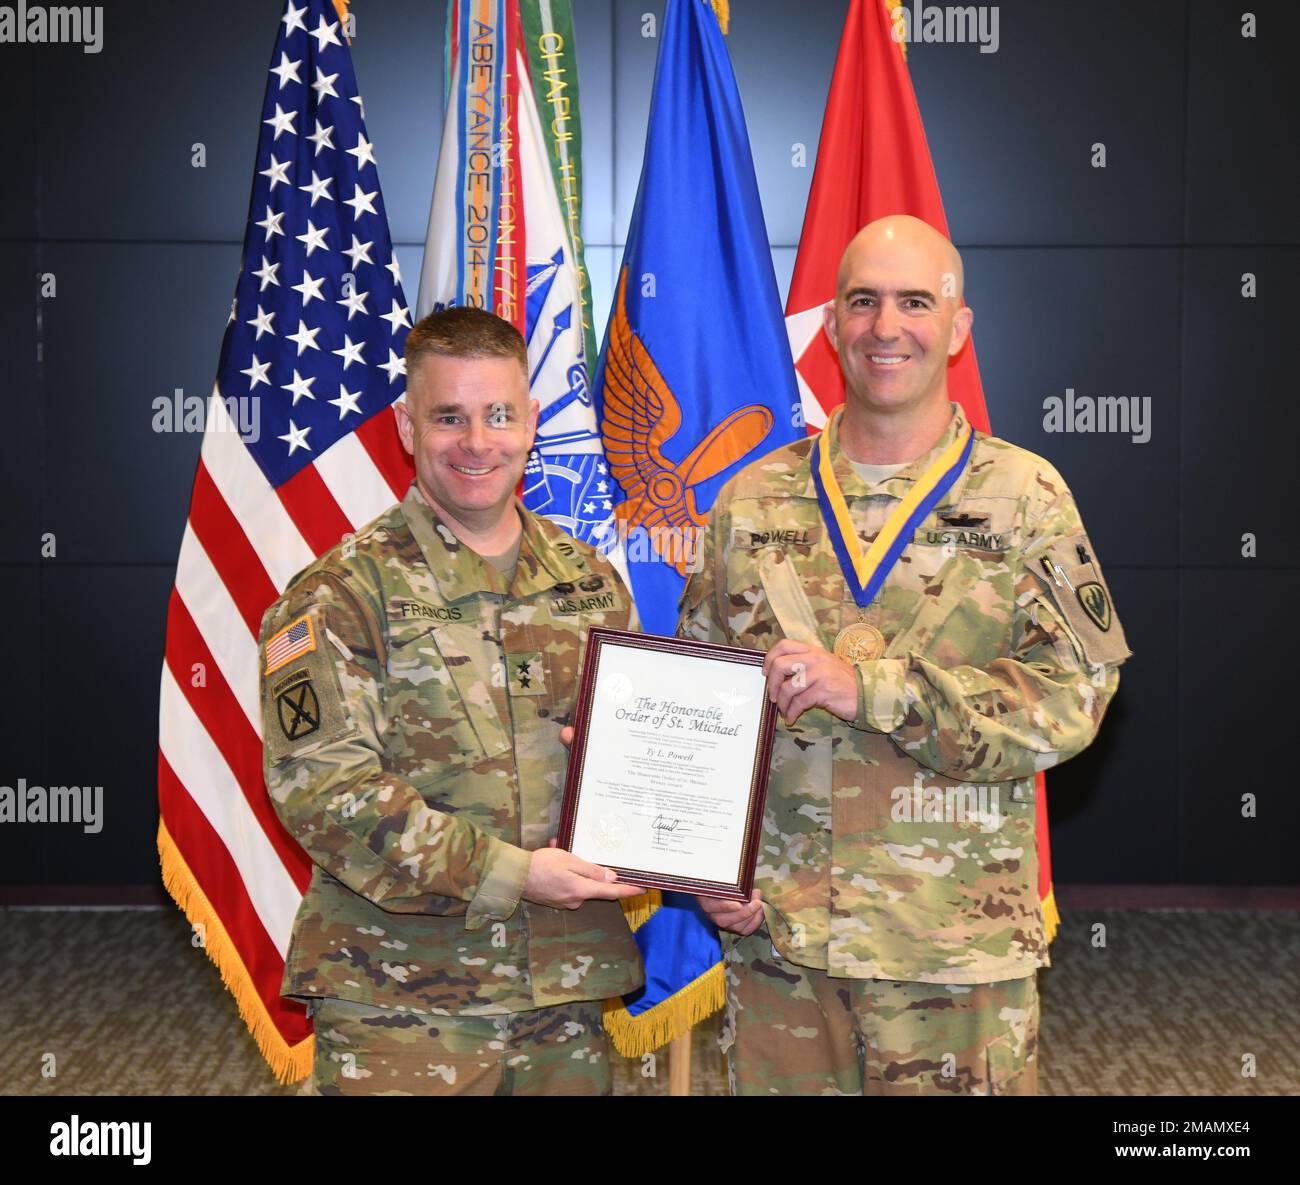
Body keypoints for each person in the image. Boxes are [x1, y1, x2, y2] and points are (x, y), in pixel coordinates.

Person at [679, 214, 1130, 1095]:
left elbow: (1078, 693)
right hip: (782, 948)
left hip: (954, 954)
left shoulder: (1029, 495)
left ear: (958, 328)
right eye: (863, 301)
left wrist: (878, 693)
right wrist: (701, 864)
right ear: (831, 324)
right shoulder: (752, 498)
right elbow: (701, 704)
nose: (886, 327)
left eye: (915, 303)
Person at [258, 307, 645, 1095]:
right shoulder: (339, 593)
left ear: (532, 422)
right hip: (401, 1002)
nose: (477, 441)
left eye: (499, 414)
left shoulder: (590, 583)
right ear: (407, 427)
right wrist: (513, 873)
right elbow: (325, 791)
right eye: (449, 417)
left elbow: (643, 754)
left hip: (563, 991)